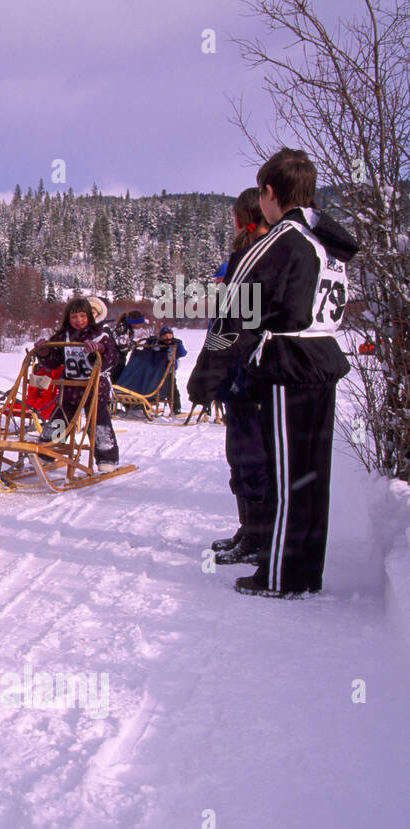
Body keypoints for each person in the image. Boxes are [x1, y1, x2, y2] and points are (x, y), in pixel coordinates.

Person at [204, 149, 356, 598]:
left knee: (287, 477)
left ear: (269, 193)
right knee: (310, 477)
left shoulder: (280, 241)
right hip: (323, 360)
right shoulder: (323, 239)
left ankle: (281, 576)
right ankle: (307, 570)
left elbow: (238, 314)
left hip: (289, 364)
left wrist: (206, 378)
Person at [187, 187, 271, 567]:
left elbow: (235, 329)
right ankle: (250, 528)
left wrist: (210, 373)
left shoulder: (255, 261)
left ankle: (260, 535)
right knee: (240, 456)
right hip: (241, 373)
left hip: (250, 374)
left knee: (251, 457)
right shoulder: (247, 261)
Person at [33, 297, 121, 470]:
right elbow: (53, 362)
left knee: (98, 423)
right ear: (68, 318)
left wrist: (100, 349)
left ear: (90, 316)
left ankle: (106, 459)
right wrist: (44, 352)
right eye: (74, 317)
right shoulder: (62, 336)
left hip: (95, 388)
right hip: (70, 388)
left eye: (82, 316)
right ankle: (46, 453)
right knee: (59, 421)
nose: (78, 320)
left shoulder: (100, 335)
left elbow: (113, 358)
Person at [153, 325, 188, 414]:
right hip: (156, 372)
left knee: (172, 390)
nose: (168, 337)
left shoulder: (174, 345)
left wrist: (179, 344)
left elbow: (183, 353)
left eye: (170, 335)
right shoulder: (157, 345)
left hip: (170, 372)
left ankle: (176, 408)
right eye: (165, 335)